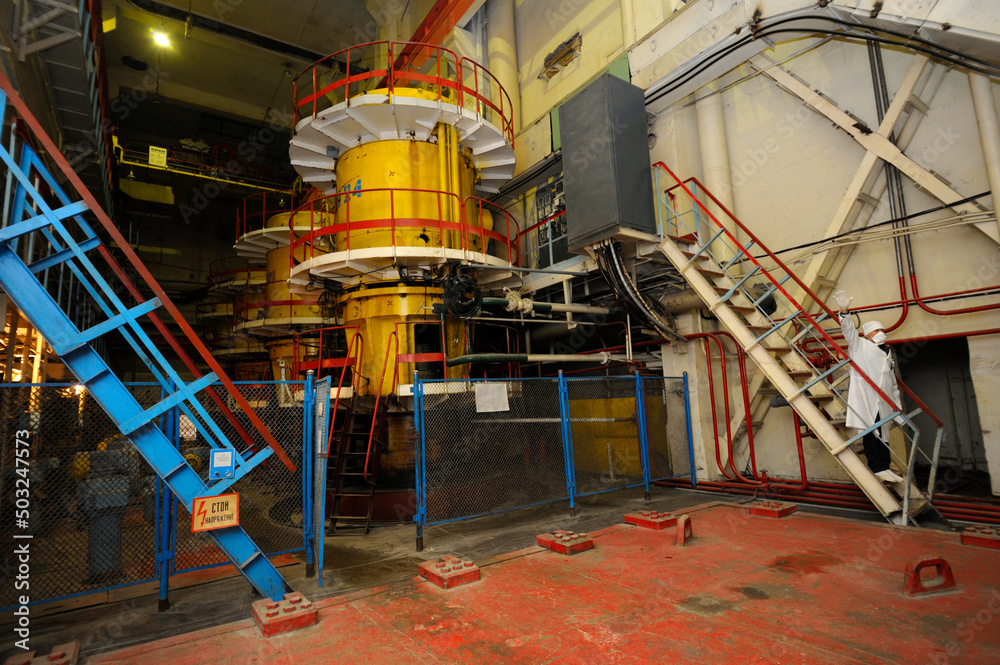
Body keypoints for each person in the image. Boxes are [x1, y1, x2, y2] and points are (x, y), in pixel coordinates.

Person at [833, 289, 905, 483]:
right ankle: (876, 467)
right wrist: (845, 311)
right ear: (866, 334)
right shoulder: (860, 346)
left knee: (885, 435)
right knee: (872, 432)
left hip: (884, 400)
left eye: (882, 330)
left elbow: (892, 383)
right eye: (876, 331)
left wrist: (897, 407)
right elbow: (848, 331)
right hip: (867, 396)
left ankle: (885, 466)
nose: (881, 333)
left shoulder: (887, 353)